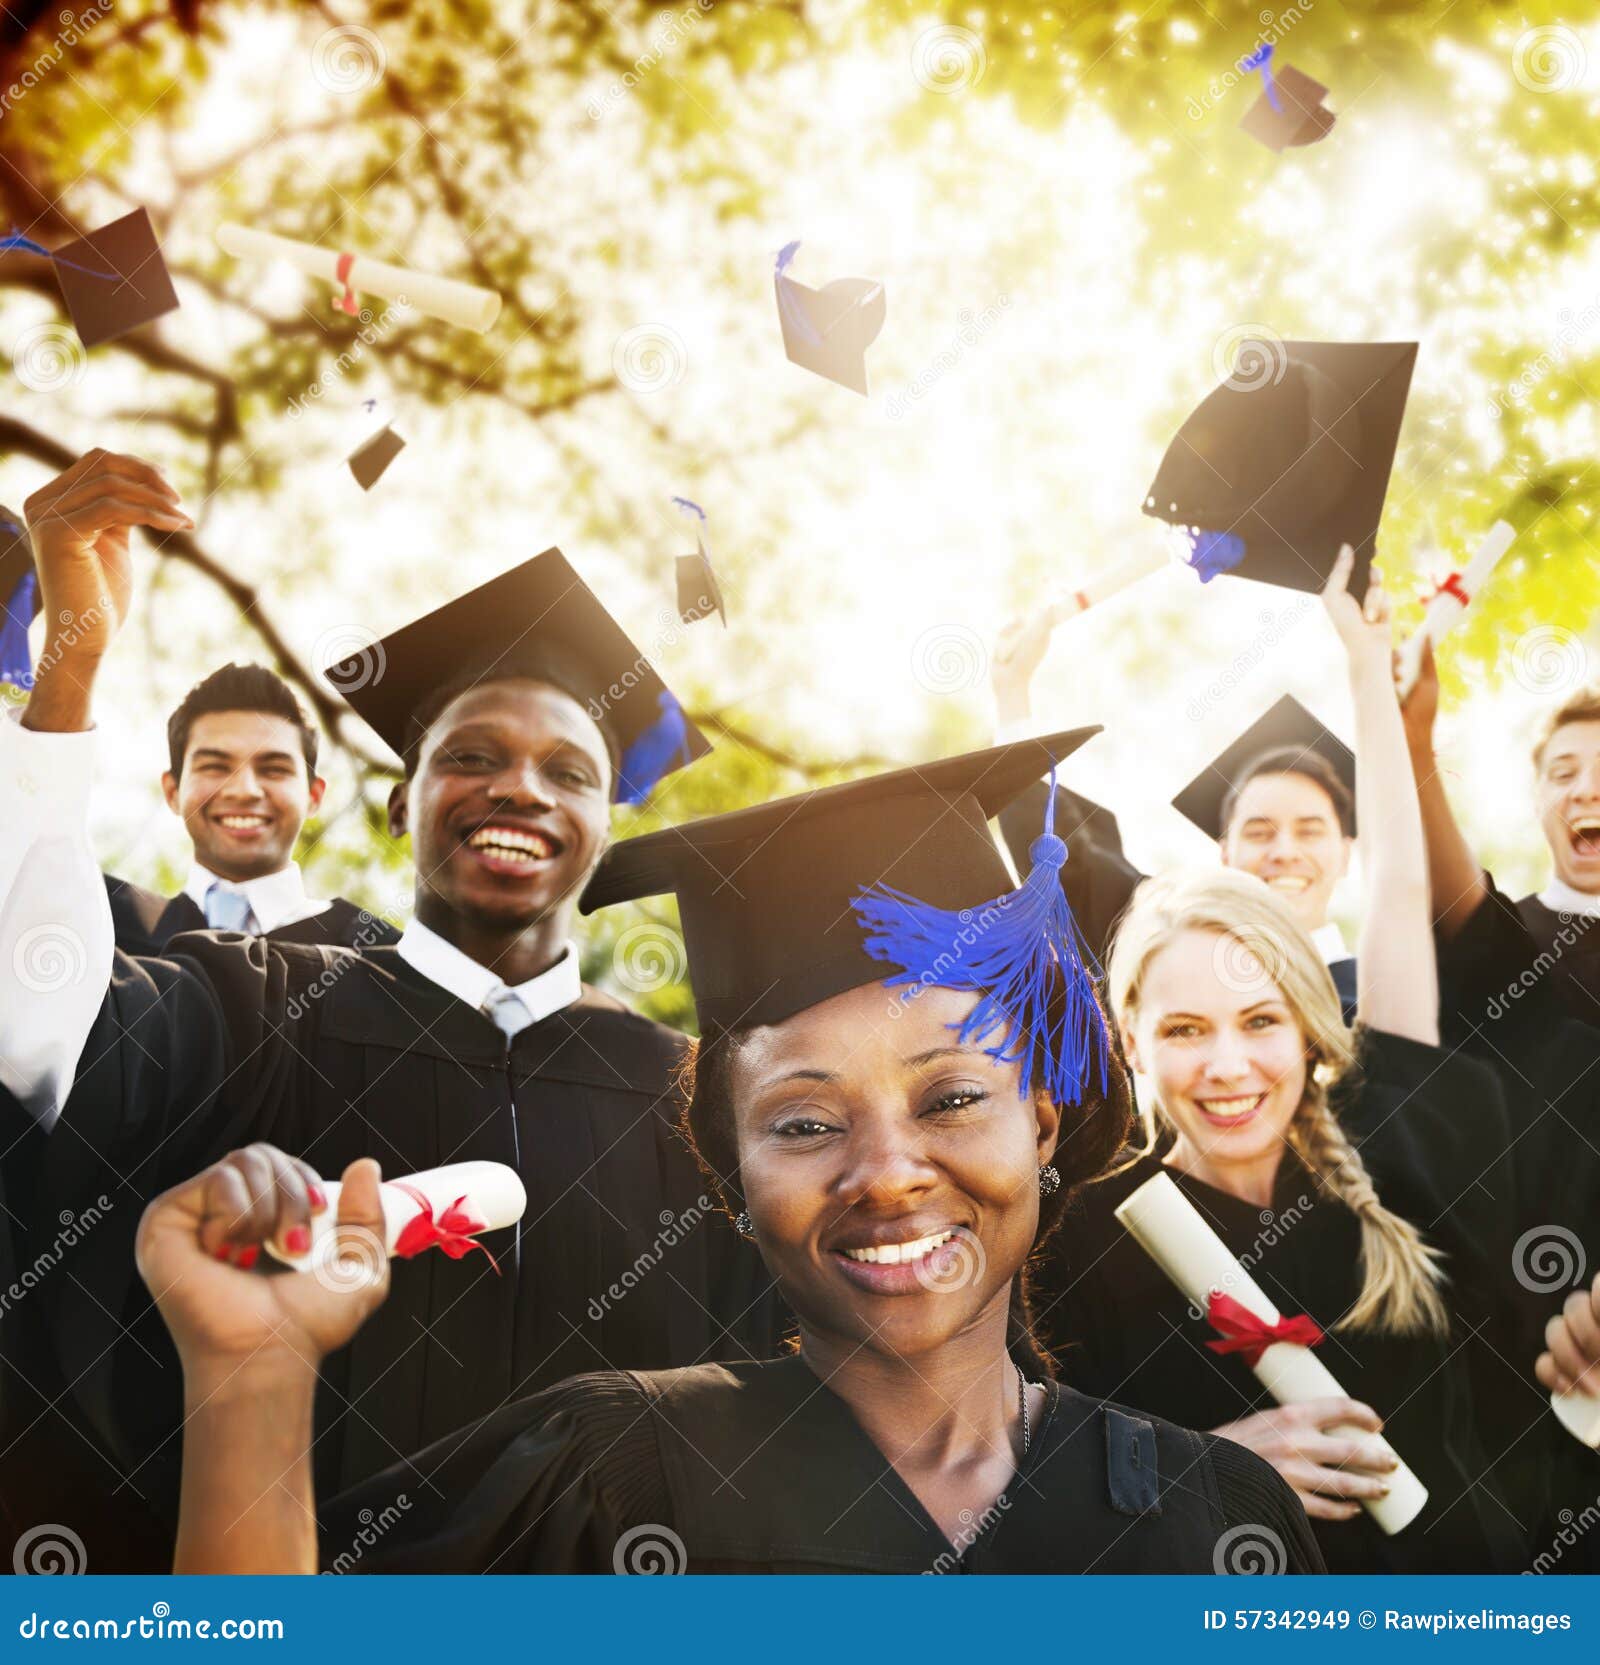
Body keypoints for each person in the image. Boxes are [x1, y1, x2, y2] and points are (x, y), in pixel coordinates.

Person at [137, 733, 1323, 1574]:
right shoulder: (600, 1475)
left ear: (1045, 1123)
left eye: (954, 1096)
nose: (888, 1170)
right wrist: (255, 1380)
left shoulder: (1217, 1519)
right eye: (805, 1123)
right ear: (733, 1175)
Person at [0, 449, 778, 1570]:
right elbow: (34, 1031)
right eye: (471, 756)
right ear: (399, 796)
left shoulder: (691, 1100)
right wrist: (68, 673)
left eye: (569, 772)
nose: (519, 786)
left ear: (606, 824)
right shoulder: (255, 1002)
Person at [1032, 550, 1538, 1573]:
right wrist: (1200, 1468)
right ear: (1129, 1037)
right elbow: (1040, 1516)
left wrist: (1365, 667)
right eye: (1182, 1030)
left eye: (1259, 1022)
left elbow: (1399, 901)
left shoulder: (1392, 1154)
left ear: (1312, 1029)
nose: (1226, 1066)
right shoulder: (1072, 1245)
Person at [991, 616, 1359, 1014]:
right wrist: (1013, 695)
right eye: (1258, 832)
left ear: (1344, 854)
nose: (1284, 851)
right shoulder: (1162, 940)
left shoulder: (1384, 1003)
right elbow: (1068, 868)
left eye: (1309, 831)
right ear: (1225, 855)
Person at [104, 661, 399, 953]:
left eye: (273, 769)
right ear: (172, 792)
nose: (244, 791)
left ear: (313, 796)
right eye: (215, 767)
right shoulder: (111, 935)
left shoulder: (374, 953)